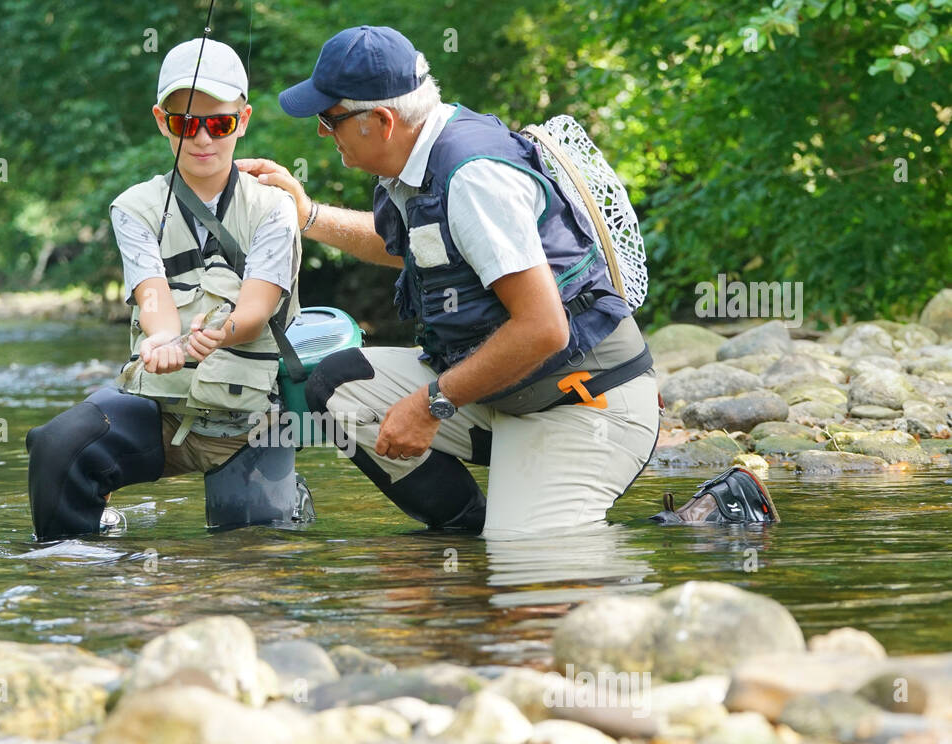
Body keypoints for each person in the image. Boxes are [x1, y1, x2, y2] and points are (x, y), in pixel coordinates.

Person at [238, 25, 777, 536]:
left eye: (329, 118)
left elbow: (545, 329)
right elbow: (413, 249)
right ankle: (468, 536)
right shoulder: (413, 158)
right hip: (502, 392)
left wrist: (431, 405)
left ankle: (715, 512)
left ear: (379, 121)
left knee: (528, 562)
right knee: (338, 385)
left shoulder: (474, 177)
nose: (320, 131)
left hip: (583, 401)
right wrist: (309, 216)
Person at [25, 38, 301, 540]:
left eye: (218, 123)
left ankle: (284, 502)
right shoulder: (133, 207)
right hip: (161, 412)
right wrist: (163, 341)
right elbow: (152, 295)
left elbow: (257, 310)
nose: (201, 139)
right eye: (184, 123)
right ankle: (74, 571)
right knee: (58, 445)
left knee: (252, 558)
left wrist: (219, 335)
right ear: (161, 121)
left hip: (250, 425)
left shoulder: (275, 208)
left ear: (243, 119)